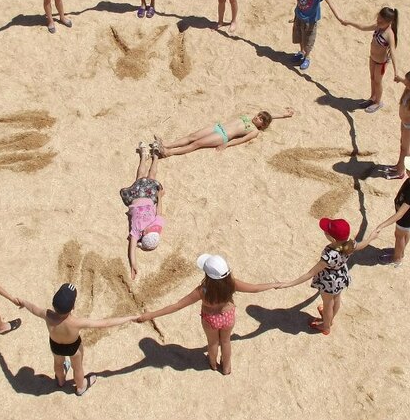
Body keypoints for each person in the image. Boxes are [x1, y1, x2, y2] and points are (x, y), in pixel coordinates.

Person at [138, 254, 280, 375]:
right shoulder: (232, 284)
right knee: (225, 341)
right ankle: (226, 368)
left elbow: (177, 305)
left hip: (210, 319)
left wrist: (151, 315)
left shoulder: (202, 291)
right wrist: (273, 284)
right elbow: (254, 289)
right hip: (227, 316)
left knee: (213, 343)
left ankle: (212, 364)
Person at [17, 284, 137, 395]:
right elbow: (106, 323)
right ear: (73, 306)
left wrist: (23, 302)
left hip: (55, 346)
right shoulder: (76, 323)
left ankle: (60, 381)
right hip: (73, 348)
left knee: (58, 363)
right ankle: (80, 387)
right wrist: (131, 317)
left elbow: (33, 308)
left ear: (53, 304)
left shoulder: (47, 314)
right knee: (77, 367)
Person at [277, 218, 379, 335]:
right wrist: (371, 237)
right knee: (336, 299)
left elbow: (310, 273)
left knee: (327, 305)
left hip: (328, 281)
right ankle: (330, 319)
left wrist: (287, 284)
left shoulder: (329, 255)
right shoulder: (350, 245)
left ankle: (326, 326)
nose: (325, 232)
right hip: (341, 277)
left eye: (326, 232)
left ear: (332, 238)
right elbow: (361, 245)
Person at [267, 0, 342, 70]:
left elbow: (328, 0)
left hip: (310, 21)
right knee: (299, 37)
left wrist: (338, 16)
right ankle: (301, 53)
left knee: (308, 41)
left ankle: (307, 57)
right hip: (299, 16)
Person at [369, 157, 410, 267]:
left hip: (406, 219)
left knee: (399, 236)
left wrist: (381, 226)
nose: (407, 170)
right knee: (404, 234)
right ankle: (400, 251)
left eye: (409, 170)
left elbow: (400, 214)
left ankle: (397, 258)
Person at [154, 108, 295, 158]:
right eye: (258, 115)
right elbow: (269, 114)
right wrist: (284, 115)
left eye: (259, 118)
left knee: (197, 143)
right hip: (218, 127)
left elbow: (240, 140)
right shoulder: (251, 116)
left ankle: (169, 153)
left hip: (222, 136)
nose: (256, 117)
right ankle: (167, 144)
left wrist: (226, 145)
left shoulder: (254, 131)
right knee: (193, 136)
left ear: (262, 124)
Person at [339, 7, 400, 113]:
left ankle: (378, 102)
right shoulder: (378, 26)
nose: (378, 22)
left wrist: (396, 72)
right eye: (378, 19)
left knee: (378, 82)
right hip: (372, 58)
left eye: (381, 21)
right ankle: (372, 98)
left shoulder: (390, 34)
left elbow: (393, 53)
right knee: (372, 78)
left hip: (381, 63)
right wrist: (349, 22)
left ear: (389, 22)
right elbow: (363, 27)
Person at [122, 142, 166, 280]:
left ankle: (144, 156)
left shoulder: (137, 231)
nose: (150, 229)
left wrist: (133, 264)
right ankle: (155, 156)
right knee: (151, 176)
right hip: (149, 197)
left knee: (141, 176)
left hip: (138, 196)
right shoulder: (155, 226)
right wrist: (159, 197)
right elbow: (159, 211)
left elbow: (132, 249)